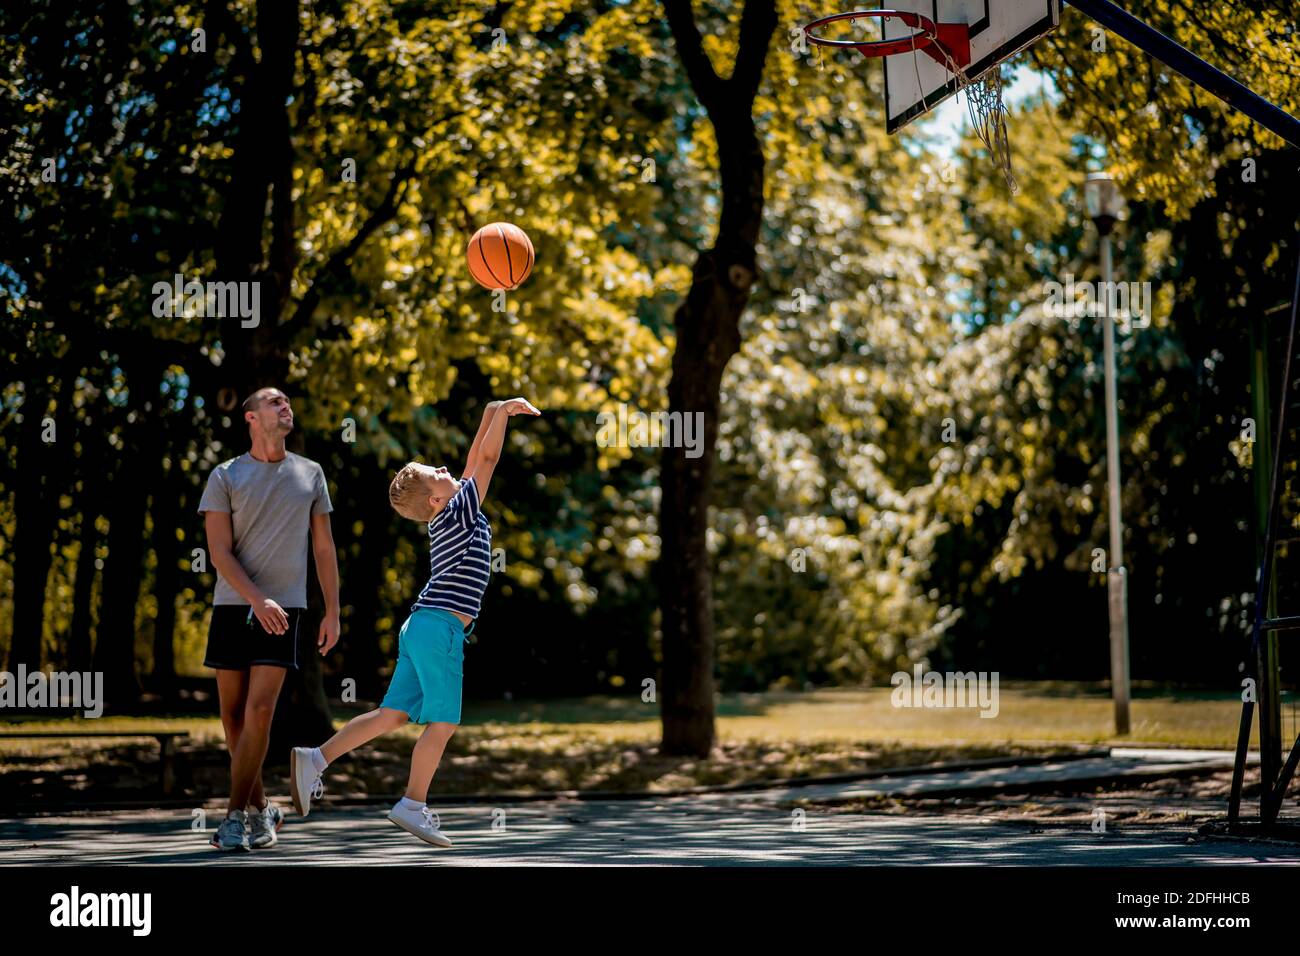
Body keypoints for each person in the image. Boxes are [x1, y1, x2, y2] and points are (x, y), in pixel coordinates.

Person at [290, 396, 540, 847]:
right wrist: (502, 416)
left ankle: (316, 759)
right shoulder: (461, 508)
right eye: (437, 474)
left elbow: (469, 463)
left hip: (420, 625)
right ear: (434, 498)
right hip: (440, 628)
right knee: (443, 721)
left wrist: (490, 408)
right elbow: (485, 457)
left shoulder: (449, 510)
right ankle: (412, 804)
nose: (446, 470)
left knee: (392, 715)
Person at [199, 387, 340, 851]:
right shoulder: (225, 475)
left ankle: (234, 816)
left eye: (287, 401)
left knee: (261, 711)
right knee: (234, 718)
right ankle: (263, 809)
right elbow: (219, 553)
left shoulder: (310, 473)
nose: (285, 406)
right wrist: (257, 599)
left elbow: (323, 549)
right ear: (251, 418)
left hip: (287, 610)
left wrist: (333, 611)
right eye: (274, 402)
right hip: (233, 606)